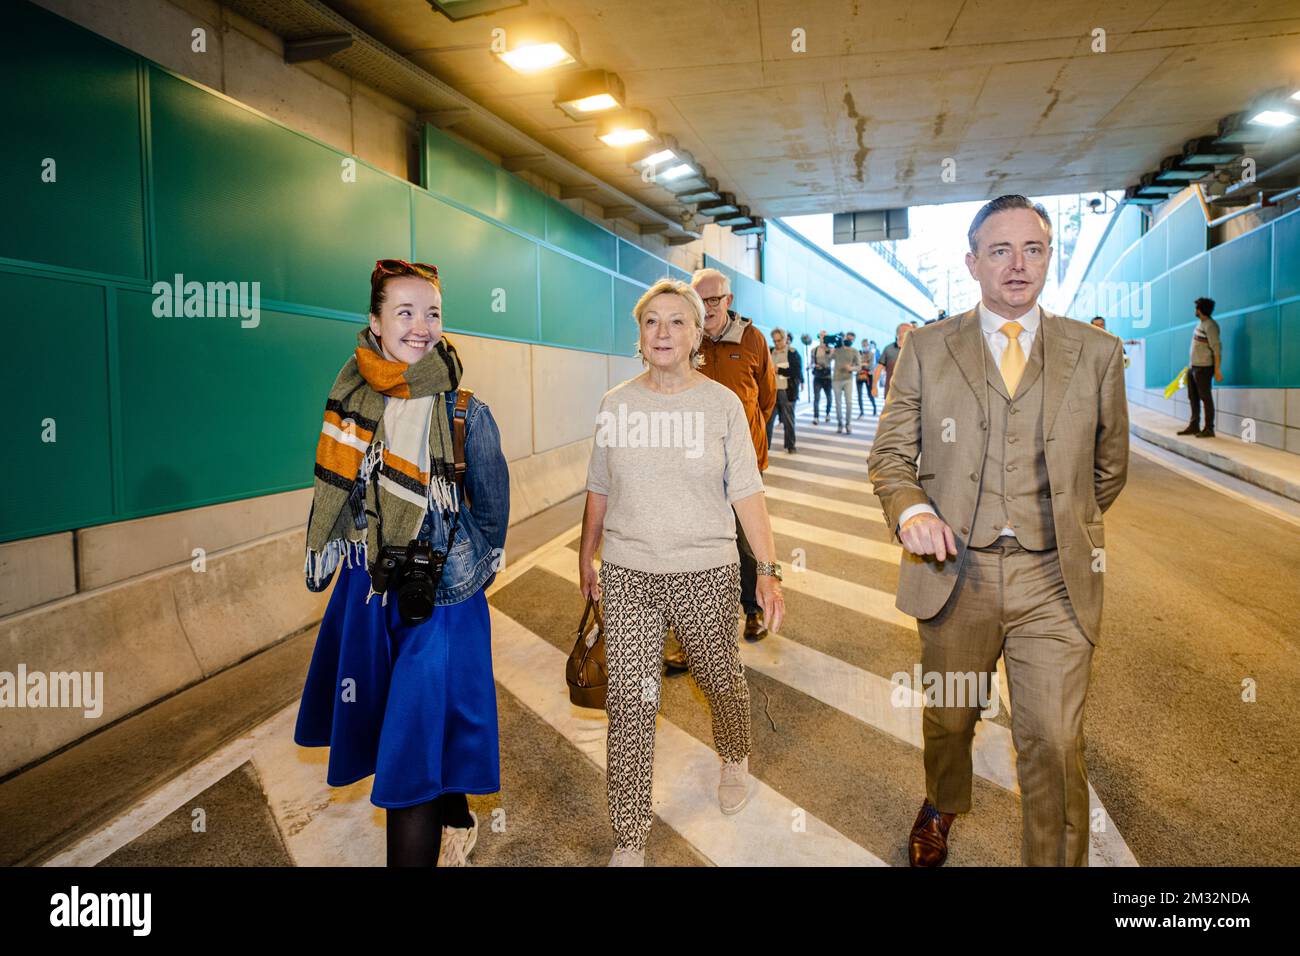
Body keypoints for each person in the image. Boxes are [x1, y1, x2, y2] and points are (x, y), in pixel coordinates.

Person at [867, 196, 1129, 867]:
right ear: (972, 262)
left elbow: (1108, 469)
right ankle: (943, 799)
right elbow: (891, 456)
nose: (1018, 264)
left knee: (1056, 741)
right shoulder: (926, 348)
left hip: (1054, 580)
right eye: (1000, 250)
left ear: (1048, 258)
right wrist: (914, 510)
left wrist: (1061, 526)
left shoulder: (1096, 353)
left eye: (1033, 249)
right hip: (957, 574)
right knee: (951, 718)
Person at [295, 258, 510, 867]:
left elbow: (492, 517)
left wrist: (460, 576)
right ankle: (456, 810)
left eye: (433, 313)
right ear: (376, 321)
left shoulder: (467, 412)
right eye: (405, 312)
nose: (421, 326)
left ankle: (444, 817)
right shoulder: (349, 404)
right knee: (403, 729)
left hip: (440, 606)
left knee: (412, 749)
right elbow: (336, 499)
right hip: (366, 598)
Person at [579, 277, 786, 866]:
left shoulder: (721, 405)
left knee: (720, 679)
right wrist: (586, 552)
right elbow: (599, 485)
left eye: (677, 321)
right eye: (652, 322)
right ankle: (629, 834)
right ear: (639, 336)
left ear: (698, 334)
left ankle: (734, 752)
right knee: (632, 701)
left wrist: (767, 570)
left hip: (706, 570)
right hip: (629, 573)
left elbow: (747, 491)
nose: (663, 332)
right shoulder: (616, 404)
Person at [693, 267, 778, 641]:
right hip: (695, 466)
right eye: (700, 299)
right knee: (698, 546)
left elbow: (767, 397)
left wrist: (750, 444)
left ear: (728, 301)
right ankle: (695, 629)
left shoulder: (752, 339)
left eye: (714, 299)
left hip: (742, 466)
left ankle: (754, 609)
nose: (707, 307)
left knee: (747, 542)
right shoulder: (685, 339)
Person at [1178, 297, 1223, 439]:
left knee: (1205, 397)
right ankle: (1194, 425)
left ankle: (1209, 428)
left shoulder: (1211, 326)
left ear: (1200, 310)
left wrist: (1217, 370)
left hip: (1204, 368)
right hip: (1193, 367)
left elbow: (1217, 349)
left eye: (1196, 308)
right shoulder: (1201, 324)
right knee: (1193, 397)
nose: (1195, 310)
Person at [767, 326, 802, 454]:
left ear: (785, 339)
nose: (776, 343)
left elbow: (796, 372)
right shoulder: (770, 351)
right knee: (768, 420)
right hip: (771, 391)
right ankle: (765, 447)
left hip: (787, 392)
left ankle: (790, 446)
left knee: (788, 420)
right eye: (774, 341)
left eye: (778, 341)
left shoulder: (792, 353)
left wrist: (779, 370)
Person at [873, 323, 912, 401]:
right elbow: (879, 368)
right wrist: (874, 386)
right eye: (908, 331)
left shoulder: (914, 348)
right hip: (891, 391)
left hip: (909, 392)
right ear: (899, 333)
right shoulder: (888, 349)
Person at [832, 331, 861, 434]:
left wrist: (851, 368)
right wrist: (829, 350)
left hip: (848, 379)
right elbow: (828, 359)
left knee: (849, 402)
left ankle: (848, 424)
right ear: (844, 338)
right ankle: (840, 424)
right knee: (838, 403)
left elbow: (859, 366)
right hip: (836, 379)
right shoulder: (837, 350)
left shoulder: (855, 351)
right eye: (848, 338)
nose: (849, 340)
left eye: (851, 339)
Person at [810, 331, 833, 424]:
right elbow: (811, 362)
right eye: (821, 336)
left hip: (827, 376)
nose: (822, 338)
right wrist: (812, 366)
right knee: (816, 398)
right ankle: (816, 417)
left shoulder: (831, 349)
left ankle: (828, 414)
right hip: (818, 376)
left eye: (824, 336)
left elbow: (833, 360)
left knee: (829, 397)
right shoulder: (814, 350)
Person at [856, 339, 877, 418]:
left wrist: (863, 364)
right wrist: (863, 364)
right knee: (859, 394)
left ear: (868, 345)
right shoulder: (858, 353)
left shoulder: (871, 354)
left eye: (866, 345)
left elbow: (871, 365)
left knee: (869, 393)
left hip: (869, 375)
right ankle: (861, 412)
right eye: (863, 345)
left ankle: (874, 407)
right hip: (859, 375)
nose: (865, 347)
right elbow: (856, 364)